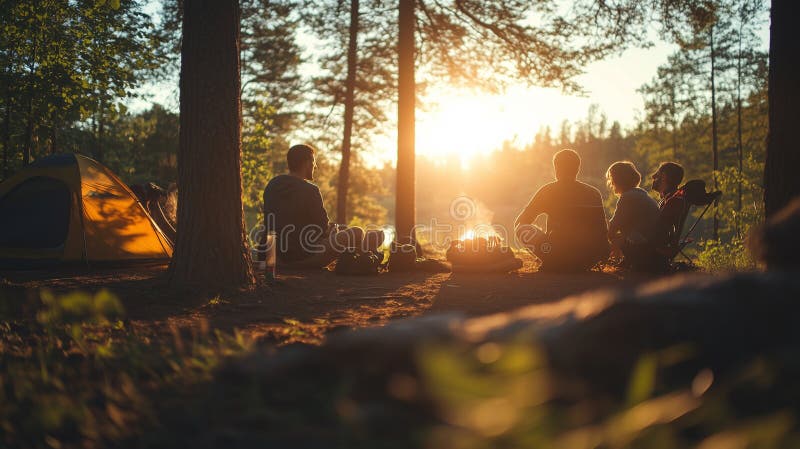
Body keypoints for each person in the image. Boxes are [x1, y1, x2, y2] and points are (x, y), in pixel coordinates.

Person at [262, 144, 383, 268]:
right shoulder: (310, 190)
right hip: (303, 257)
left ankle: (366, 252)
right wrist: (332, 231)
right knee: (357, 232)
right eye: (314, 161)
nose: (315, 166)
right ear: (307, 163)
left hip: (273, 254)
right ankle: (367, 257)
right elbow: (322, 227)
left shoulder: (272, 185)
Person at [514, 149, 610, 271]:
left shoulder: (548, 191)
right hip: (589, 258)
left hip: (556, 253)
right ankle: (572, 263)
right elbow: (602, 230)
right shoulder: (593, 193)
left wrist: (544, 237)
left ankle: (551, 260)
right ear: (577, 169)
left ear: (556, 168)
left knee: (521, 228)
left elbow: (521, 221)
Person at [606, 161, 660, 269]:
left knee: (606, 234)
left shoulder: (628, 197)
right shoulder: (640, 194)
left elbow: (613, 227)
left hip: (643, 246)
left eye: (611, 179)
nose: (611, 183)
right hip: (652, 241)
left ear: (617, 180)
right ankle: (624, 260)